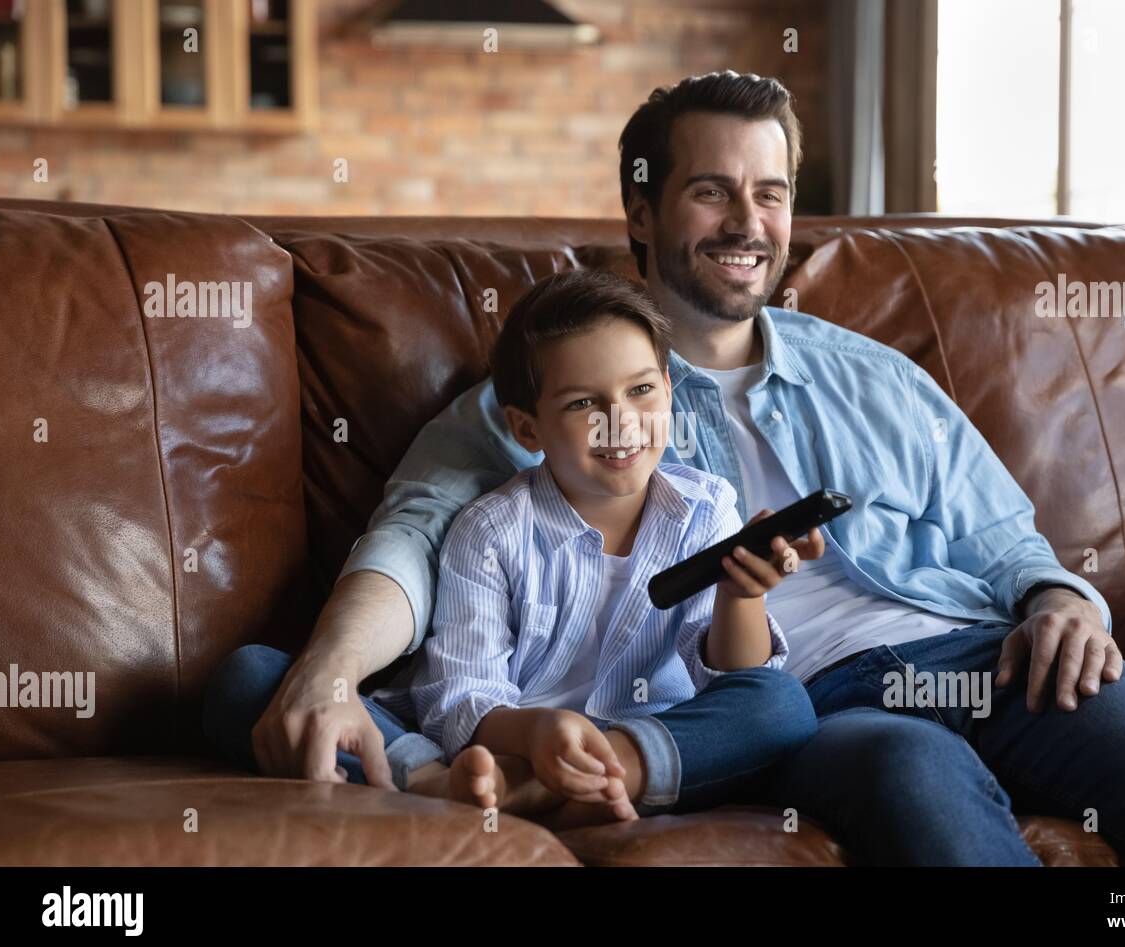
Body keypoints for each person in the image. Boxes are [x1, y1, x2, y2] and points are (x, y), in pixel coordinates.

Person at [249, 70, 1125, 864]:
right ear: (643, 211)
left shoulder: (872, 374)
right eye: (711, 191)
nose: (748, 221)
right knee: (918, 783)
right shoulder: (540, 400)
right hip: (811, 699)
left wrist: (1061, 596)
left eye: (770, 192)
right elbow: (409, 542)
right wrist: (330, 670)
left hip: (993, 652)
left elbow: (1006, 536)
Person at [204, 269, 820, 828]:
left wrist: (741, 595)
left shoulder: (705, 511)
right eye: (583, 403)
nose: (620, 422)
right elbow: (459, 695)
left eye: (640, 392)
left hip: (643, 737)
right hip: (499, 744)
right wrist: (536, 731)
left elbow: (734, 675)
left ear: (668, 387)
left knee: (782, 704)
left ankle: (540, 793)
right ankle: (431, 779)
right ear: (528, 427)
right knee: (251, 676)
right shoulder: (492, 529)